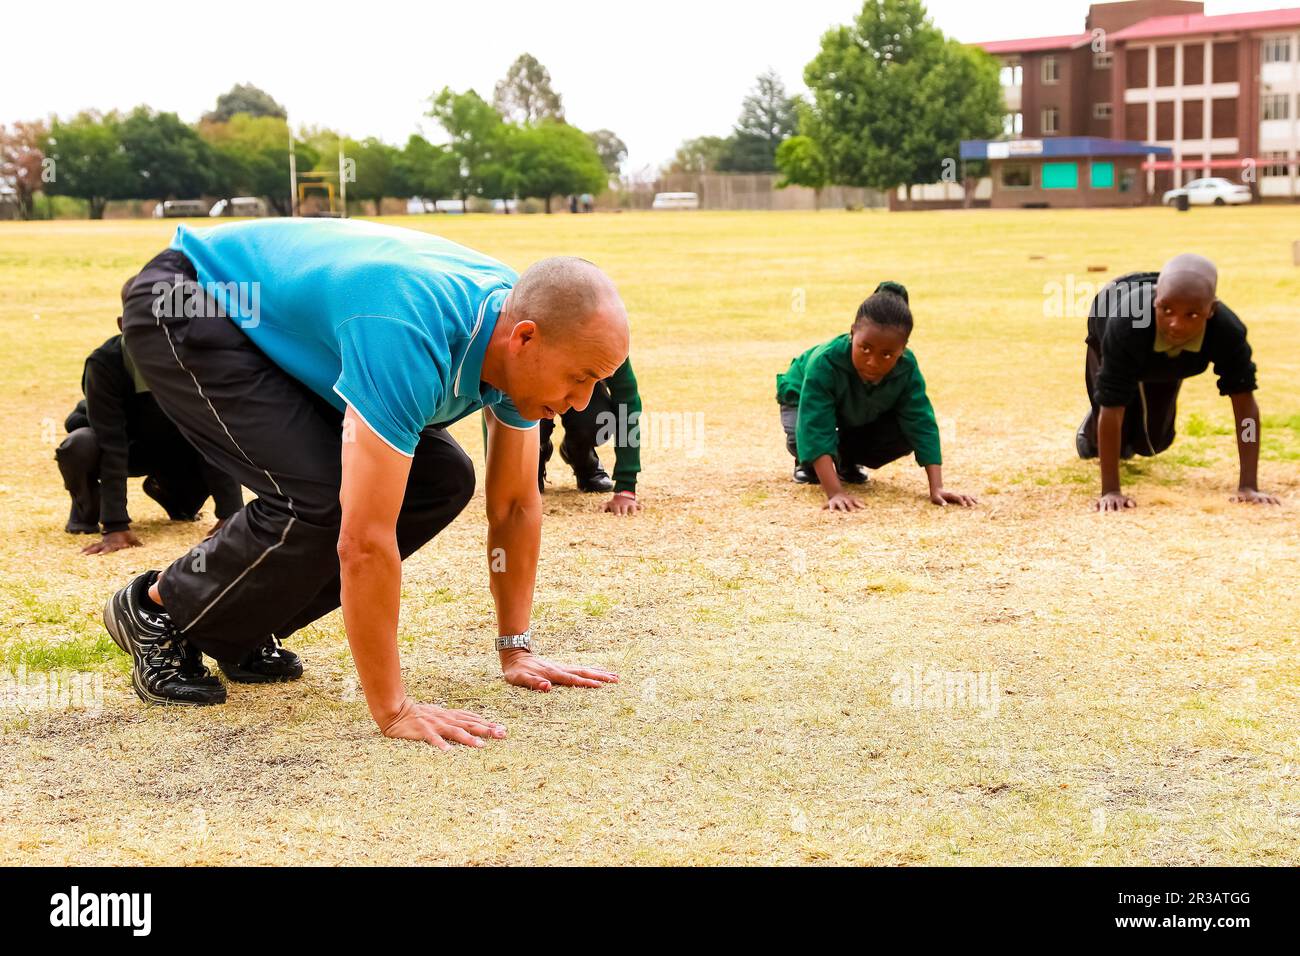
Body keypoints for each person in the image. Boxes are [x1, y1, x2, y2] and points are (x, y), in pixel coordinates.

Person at [102, 218, 629, 752]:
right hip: (193, 299)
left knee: (441, 479)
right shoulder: (410, 332)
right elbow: (362, 540)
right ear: (524, 339)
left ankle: (233, 625)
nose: (583, 402)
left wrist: (516, 650)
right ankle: (154, 607)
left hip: (279, 326)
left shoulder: (518, 336)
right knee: (321, 496)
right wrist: (393, 708)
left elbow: (515, 504)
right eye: (580, 378)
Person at [1077, 254, 1280, 511]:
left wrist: (1249, 485)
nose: (1176, 324)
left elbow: (1245, 409)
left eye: (1192, 315)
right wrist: (1111, 491)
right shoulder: (1125, 325)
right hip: (1112, 310)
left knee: (1153, 442)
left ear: (1211, 310)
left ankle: (1125, 426)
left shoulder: (1227, 331)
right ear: (1155, 300)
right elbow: (1112, 404)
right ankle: (1090, 432)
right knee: (1114, 412)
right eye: (1167, 310)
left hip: (1170, 357)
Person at [56, 280, 244, 555]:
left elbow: (214, 431)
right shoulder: (104, 363)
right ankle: (88, 506)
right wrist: (115, 525)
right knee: (80, 444)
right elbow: (112, 443)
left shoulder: (199, 359)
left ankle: (168, 492)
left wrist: (231, 515)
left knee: (189, 497)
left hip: (173, 445)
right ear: (123, 325)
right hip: (124, 445)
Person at [775, 281, 976, 512]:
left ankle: (845, 460)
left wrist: (937, 487)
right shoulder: (825, 362)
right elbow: (814, 425)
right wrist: (835, 491)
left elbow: (921, 423)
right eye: (865, 348)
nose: (873, 361)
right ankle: (807, 462)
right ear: (852, 333)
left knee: (904, 431)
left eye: (887, 354)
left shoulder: (907, 368)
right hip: (801, 396)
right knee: (803, 438)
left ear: (903, 349)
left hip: (855, 406)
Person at [539, 357, 643, 515]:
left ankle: (581, 456)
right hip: (536, 379)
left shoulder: (609, 341)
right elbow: (498, 408)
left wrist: (626, 487)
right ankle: (535, 457)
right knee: (529, 421)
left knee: (597, 421)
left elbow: (626, 407)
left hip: (585, 383)